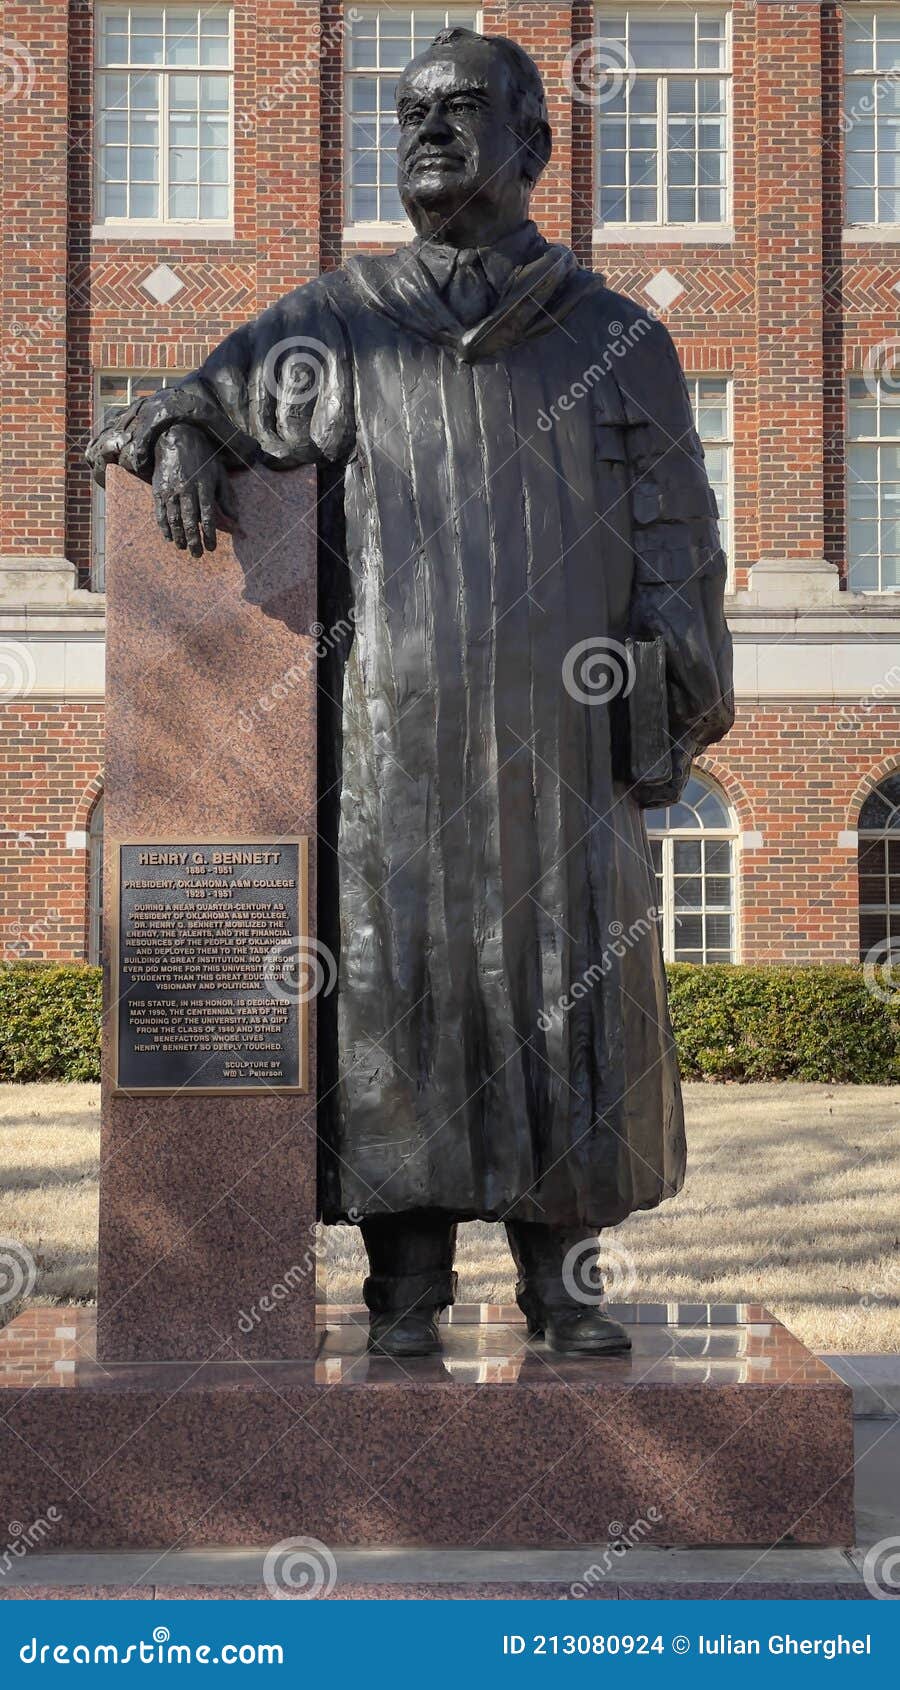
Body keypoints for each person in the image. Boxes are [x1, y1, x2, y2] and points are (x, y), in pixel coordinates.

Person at [88, 28, 733, 1358]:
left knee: (566, 989)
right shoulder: (340, 321)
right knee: (403, 988)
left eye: (463, 109)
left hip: (564, 741)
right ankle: (406, 1289)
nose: (431, 129)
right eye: (411, 112)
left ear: (534, 144)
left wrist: (668, 698)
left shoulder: (617, 339)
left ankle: (563, 1282)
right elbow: (180, 399)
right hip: (390, 737)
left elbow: (680, 536)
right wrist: (185, 436)